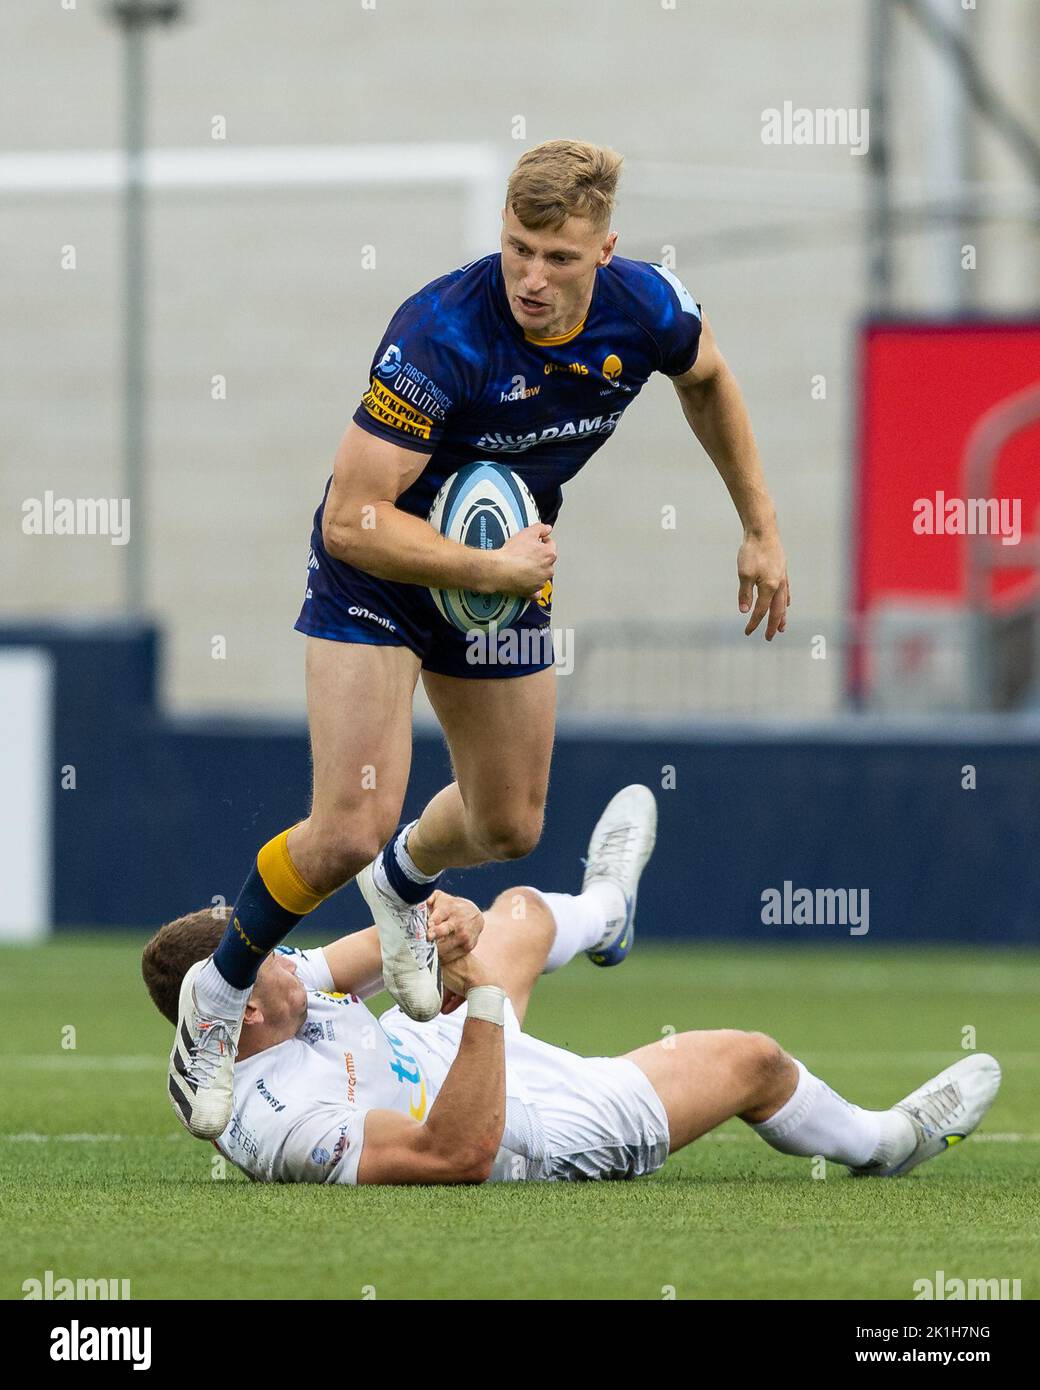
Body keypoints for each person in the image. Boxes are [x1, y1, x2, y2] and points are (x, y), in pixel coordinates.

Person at [168, 137, 791, 1142]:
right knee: (345, 826)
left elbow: (707, 378)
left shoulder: (647, 308)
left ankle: (405, 880)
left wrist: (759, 527)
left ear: (605, 252)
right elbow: (351, 519)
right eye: (517, 250)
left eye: (558, 257)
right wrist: (491, 571)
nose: (533, 278)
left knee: (507, 824)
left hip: (494, 581)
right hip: (376, 577)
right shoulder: (438, 333)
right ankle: (216, 993)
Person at [150, 788, 1000, 1184]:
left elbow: (382, 940)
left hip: (437, 1053)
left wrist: (441, 924)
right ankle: (885, 1141)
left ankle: (608, 907)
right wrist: (475, 993)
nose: (290, 954)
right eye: (270, 955)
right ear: (246, 1008)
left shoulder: (261, 1001)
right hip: (527, 1130)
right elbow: (456, 1153)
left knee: (514, 909)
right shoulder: (272, 1121)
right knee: (756, 1061)